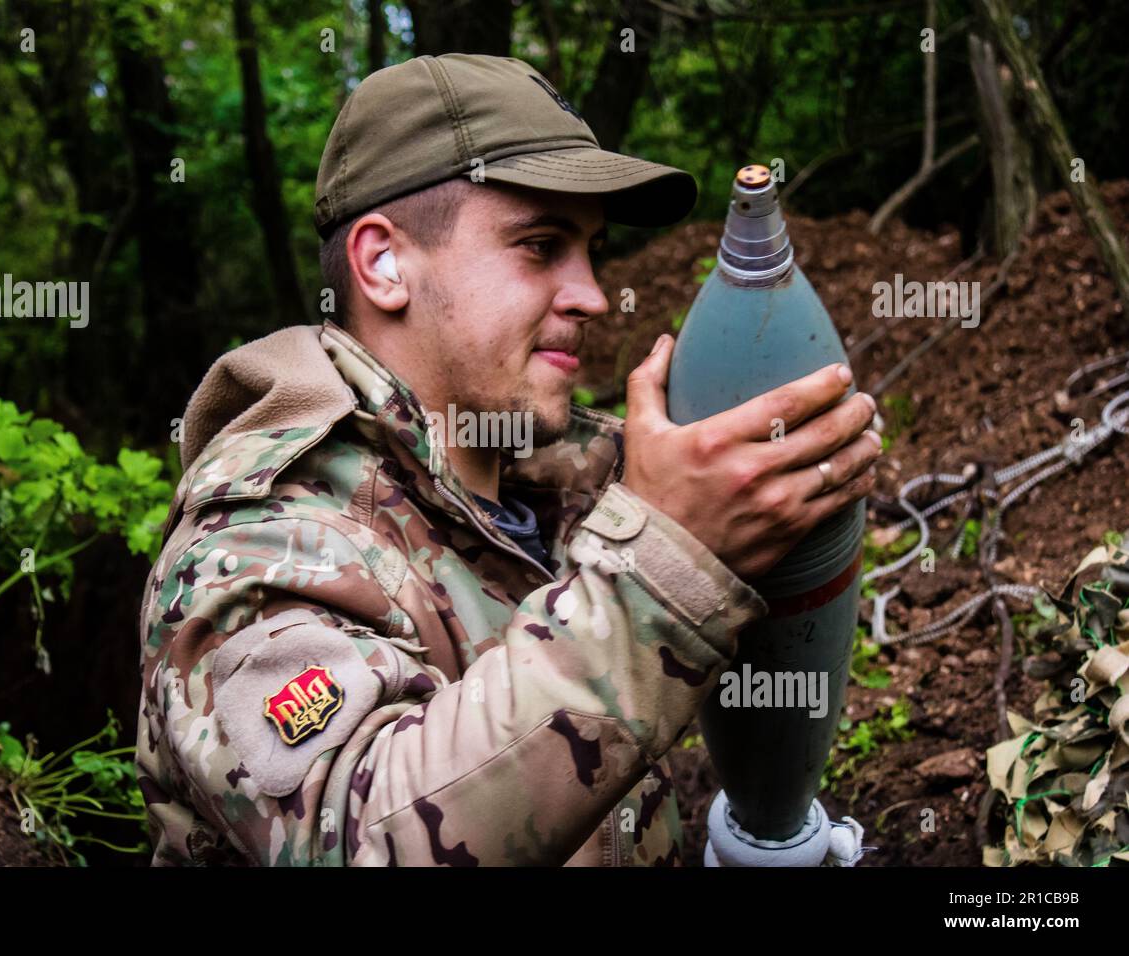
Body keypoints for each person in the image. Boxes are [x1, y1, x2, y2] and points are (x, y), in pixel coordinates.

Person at [135, 53, 880, 866]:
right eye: (540, 245)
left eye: (590, 249)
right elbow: (358, 842)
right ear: (383, 264)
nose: (592, 294)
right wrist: (659, 568)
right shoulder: (256, 541)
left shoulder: (570, 489)